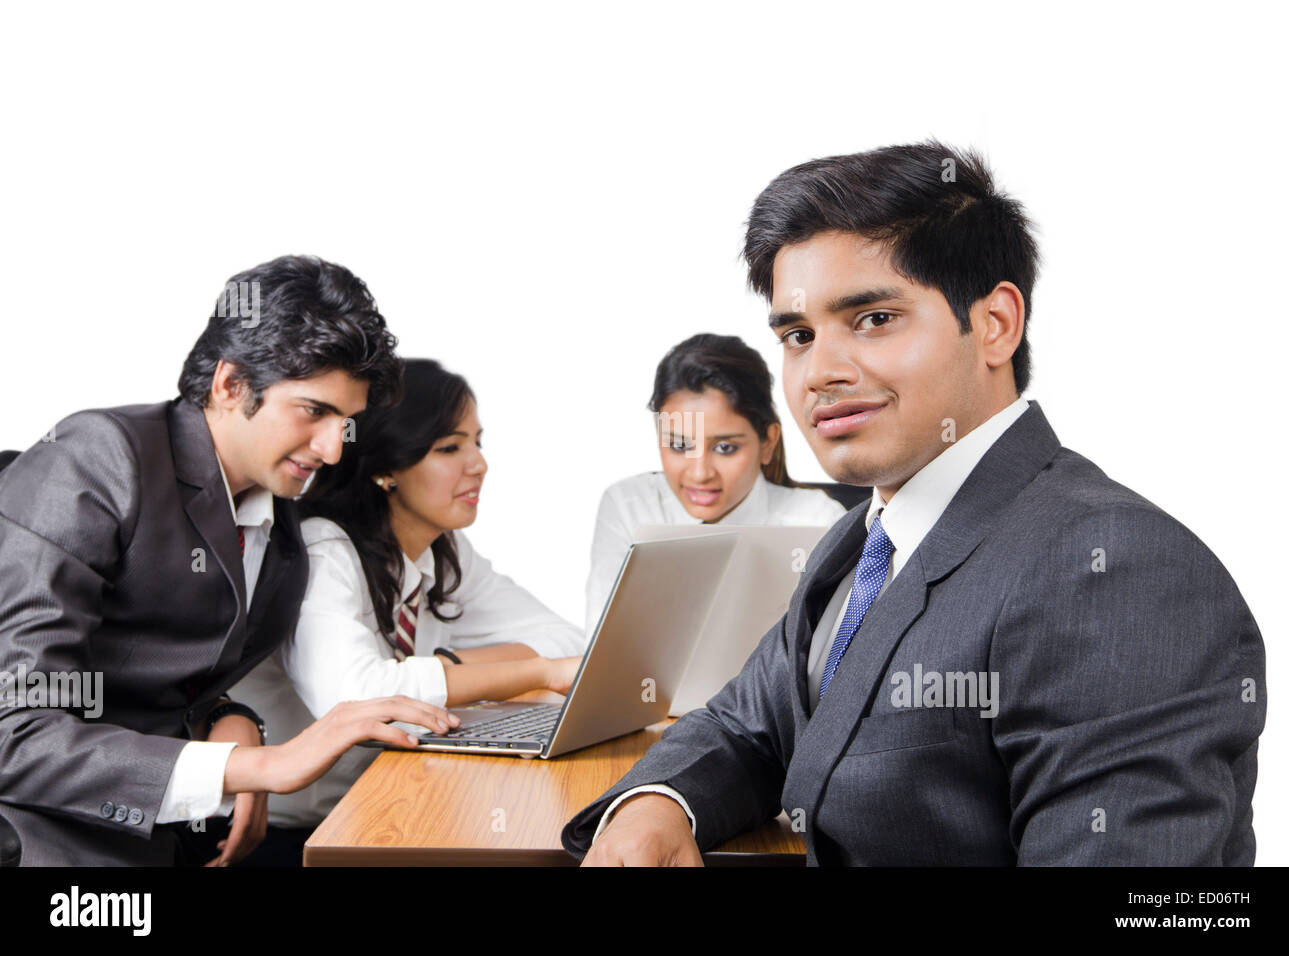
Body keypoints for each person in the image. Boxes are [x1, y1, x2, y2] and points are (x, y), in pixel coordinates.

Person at [561, 142, 1267, 866]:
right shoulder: (863, 540)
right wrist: (657, 803)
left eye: (872, 319)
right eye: (799, 335)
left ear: (994, 324)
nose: (822, 373)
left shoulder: (1116, 570)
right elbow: (753, 725)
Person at [0, 255, 458, 867]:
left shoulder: (285, 523)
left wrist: (229, 716)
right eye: (313, 411)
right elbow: (13, 730)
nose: (331, 448)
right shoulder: (99, 459)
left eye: (345, 422)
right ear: (230, 384)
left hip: (180, 841)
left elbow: (157, 670)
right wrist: (258, 765)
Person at [228, 358, 585, 858]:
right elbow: (356, 702)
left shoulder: (443, 549)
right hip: (287, 838)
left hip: (375, 810)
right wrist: (536, 671)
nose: (478, 463)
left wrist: (452, 667)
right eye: (449, 447)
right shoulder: (323, 548)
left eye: (477, 442)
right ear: (385, 468)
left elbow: (569, 641)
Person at [585, 333, 845, 635]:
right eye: (680, 446)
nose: (699, 474)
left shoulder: (817, 522)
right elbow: (603, 644)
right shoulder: (629, 507)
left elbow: (833, 655)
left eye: (725, 448)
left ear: (767, 443)